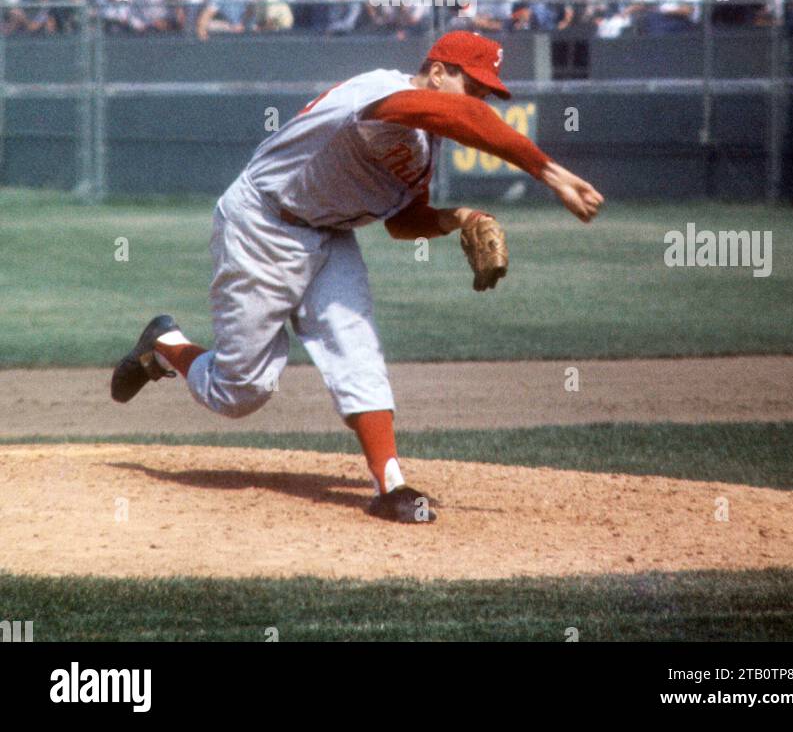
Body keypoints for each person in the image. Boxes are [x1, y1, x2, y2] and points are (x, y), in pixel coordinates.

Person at [110, 32, 604, 522]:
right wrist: (551, 174)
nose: (478, 98)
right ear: (437, 71)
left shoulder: (425, 145)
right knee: (240, 391)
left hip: (331, 236)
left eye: (485, 90)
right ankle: (163, 343)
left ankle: (390, 484)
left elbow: (401, 221)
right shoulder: (378, 94)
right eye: (471, 84)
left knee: (357, 348)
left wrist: (460, 218)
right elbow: (467, 117)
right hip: (262, 224)